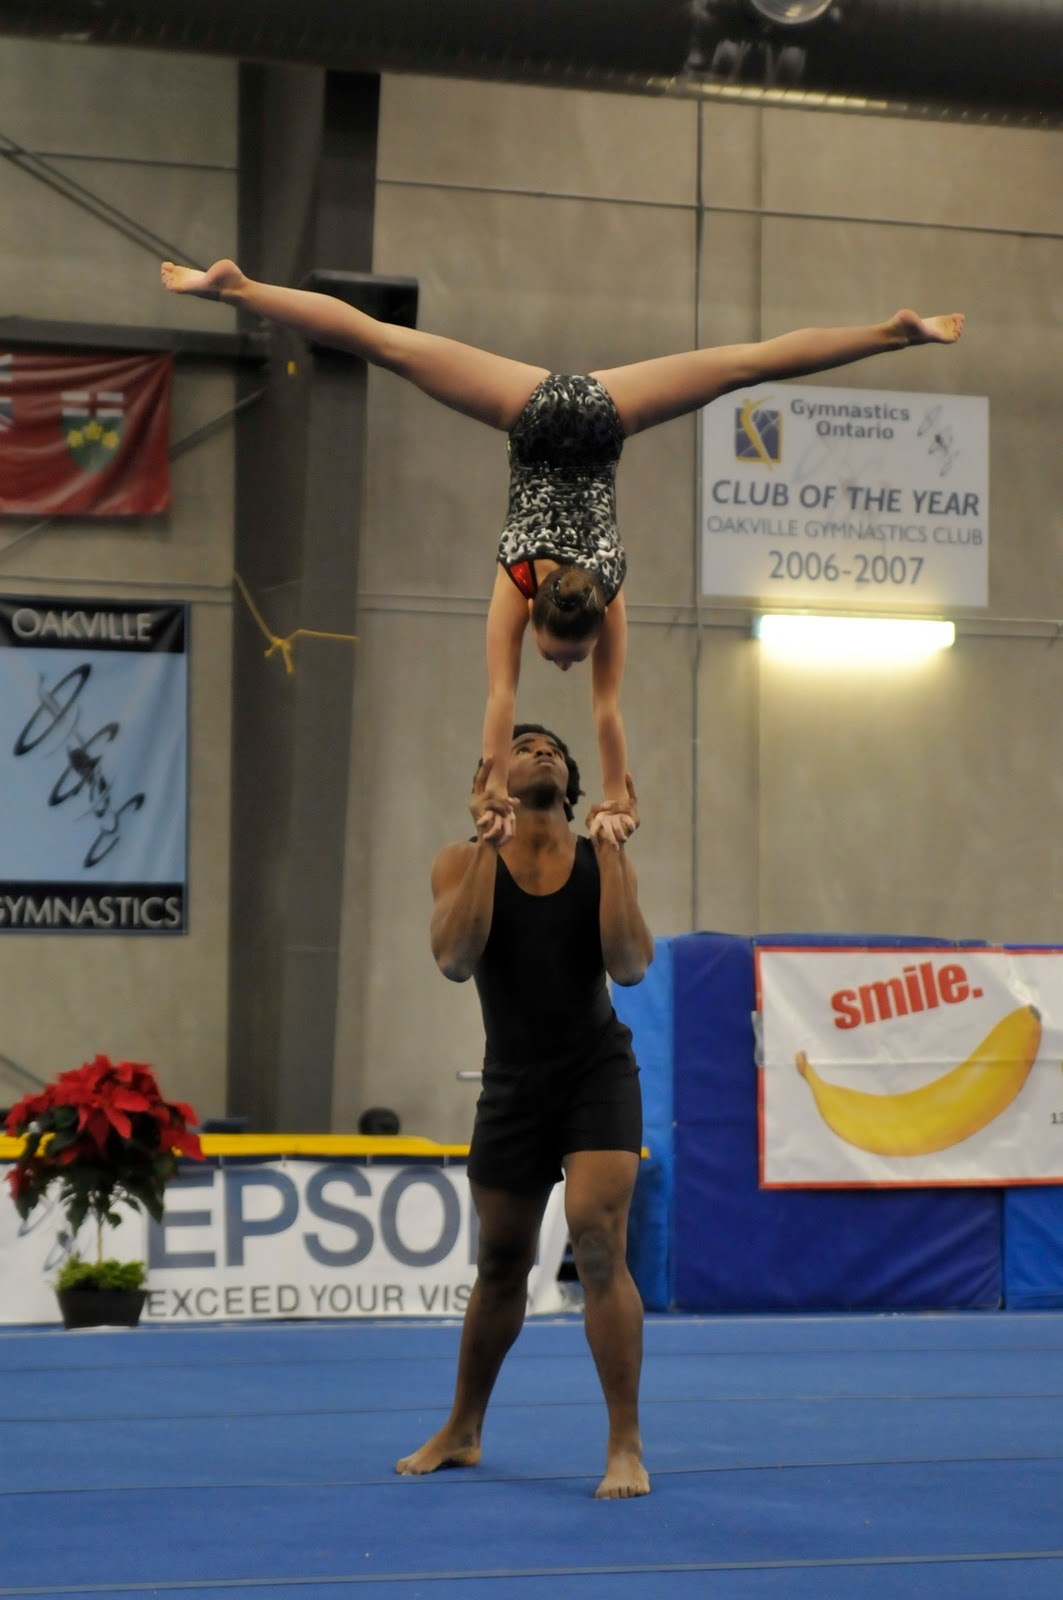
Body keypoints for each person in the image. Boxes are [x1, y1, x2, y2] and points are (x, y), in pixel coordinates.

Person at [161, 257, 964, 841]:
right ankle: (890, 334)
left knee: (389, 343)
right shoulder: (520, 579)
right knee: (392, 347)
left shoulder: (604, 588)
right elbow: (516, 700)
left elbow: (555, 707)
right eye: (566, 657)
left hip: (593, 414)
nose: (565, 666)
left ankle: (239, 288)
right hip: (538, 414)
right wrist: (575, 794)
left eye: (560, 657)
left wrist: (544, 793)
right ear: (553, 617)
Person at [396, 723, 654, 1498]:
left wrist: (613, 853)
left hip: (595, 1072)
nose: (542, 751)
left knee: (597, 1240)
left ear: (571, 781)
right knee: (502, 1263)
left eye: (554, 749)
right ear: (488, 780)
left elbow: (630, 966)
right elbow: (454, 959)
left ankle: (625, 1444)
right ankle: (463, 1428)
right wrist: (487, 843)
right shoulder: (459, 860)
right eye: (523, 745)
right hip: (511, 1082)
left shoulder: (599, 858)